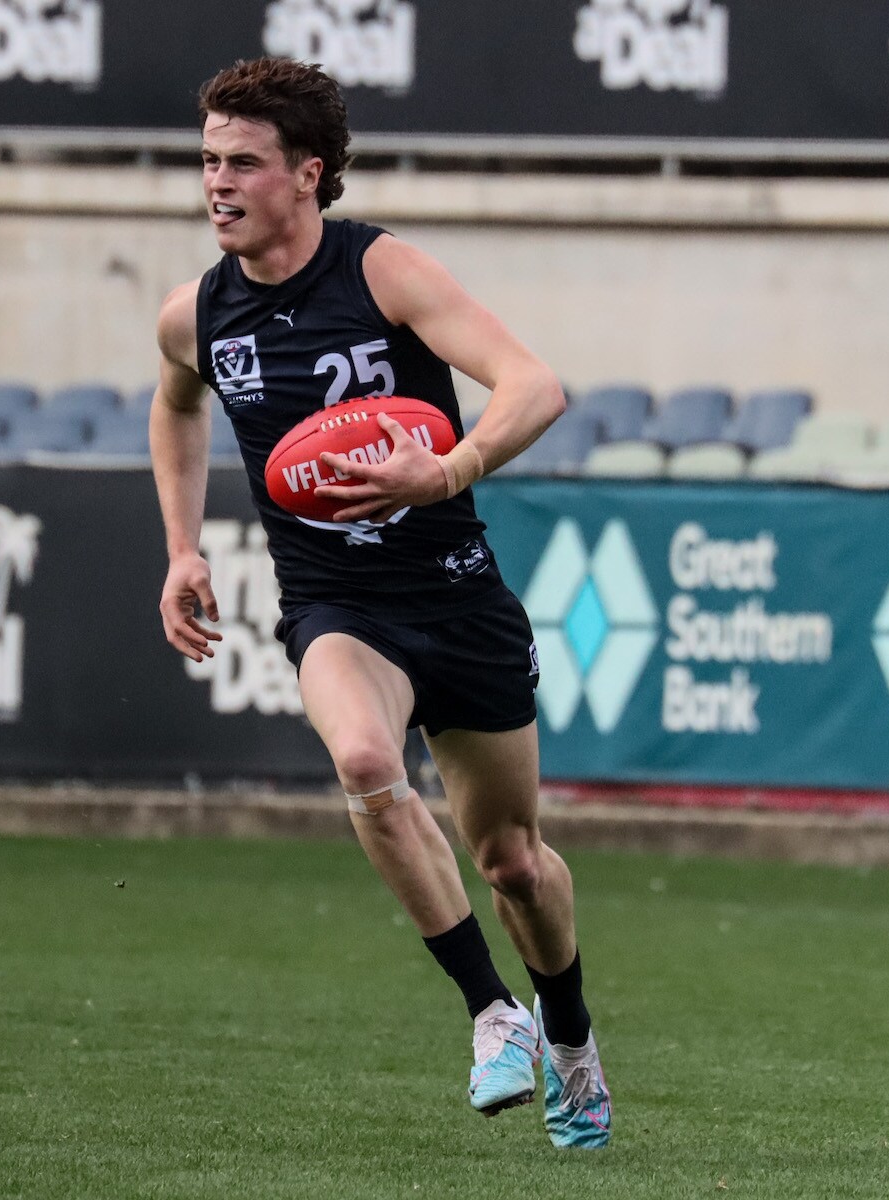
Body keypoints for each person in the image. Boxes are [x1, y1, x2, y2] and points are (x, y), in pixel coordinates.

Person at [149, 57, 611, 1150]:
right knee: (363, 759)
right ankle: (491, 1015)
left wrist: (445, 473)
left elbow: (534, 385)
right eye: (208, 161)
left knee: (513, 862)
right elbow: (174, 408)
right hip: (335, 606)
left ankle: (569, 1038)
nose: (217, 183)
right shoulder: (196, 314)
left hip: (456, 599)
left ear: (308, 173)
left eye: (243, 163)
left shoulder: (381, 269)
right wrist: (179, 549)